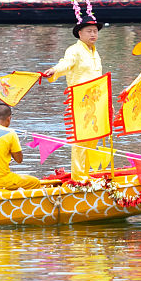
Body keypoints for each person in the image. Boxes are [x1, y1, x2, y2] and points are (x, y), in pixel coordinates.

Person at [44, 15, 105, 180]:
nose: (93, 34)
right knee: (81, 139)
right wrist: (55, 70)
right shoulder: (74, 50)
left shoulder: (95, 52)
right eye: (89, 31)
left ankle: (85, 173)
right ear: (80, 33)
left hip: (96, 99)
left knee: (93, 138)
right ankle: (79, 177)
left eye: (95, 31)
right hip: (80, 99)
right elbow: (66, 63)